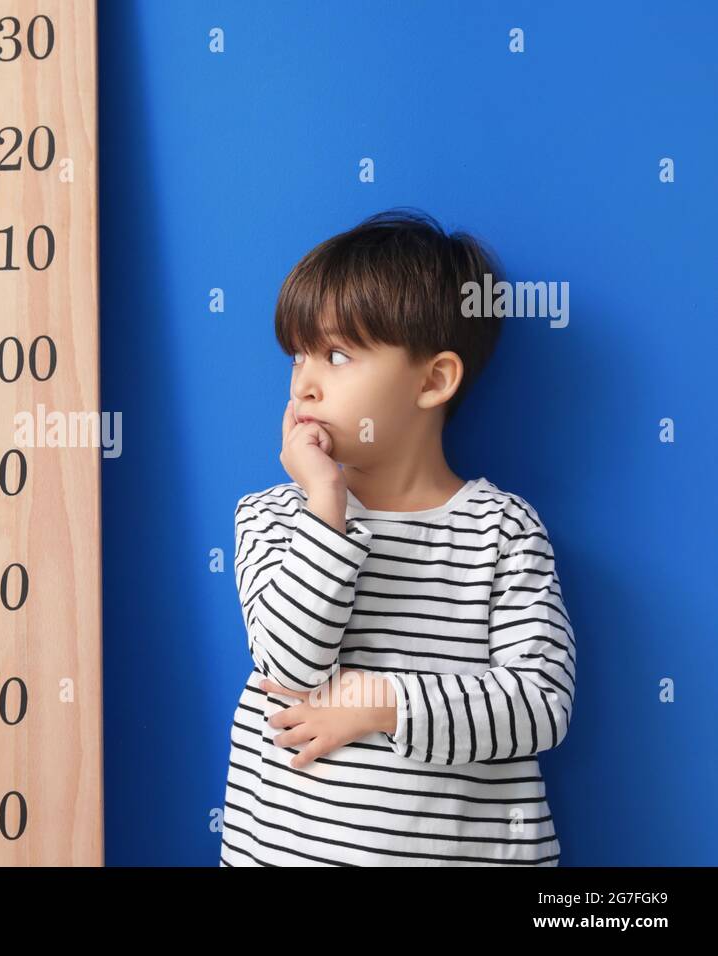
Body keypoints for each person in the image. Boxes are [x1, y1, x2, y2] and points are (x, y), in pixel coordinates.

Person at [220, 209, 576, 866]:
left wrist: (380, 701)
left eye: (336, 354)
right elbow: (292, 669)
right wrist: (324, 502)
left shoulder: (501, 531)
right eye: (297, 356)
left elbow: (541, 703)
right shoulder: (271, 518)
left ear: (433, 380)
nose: (305, 381)